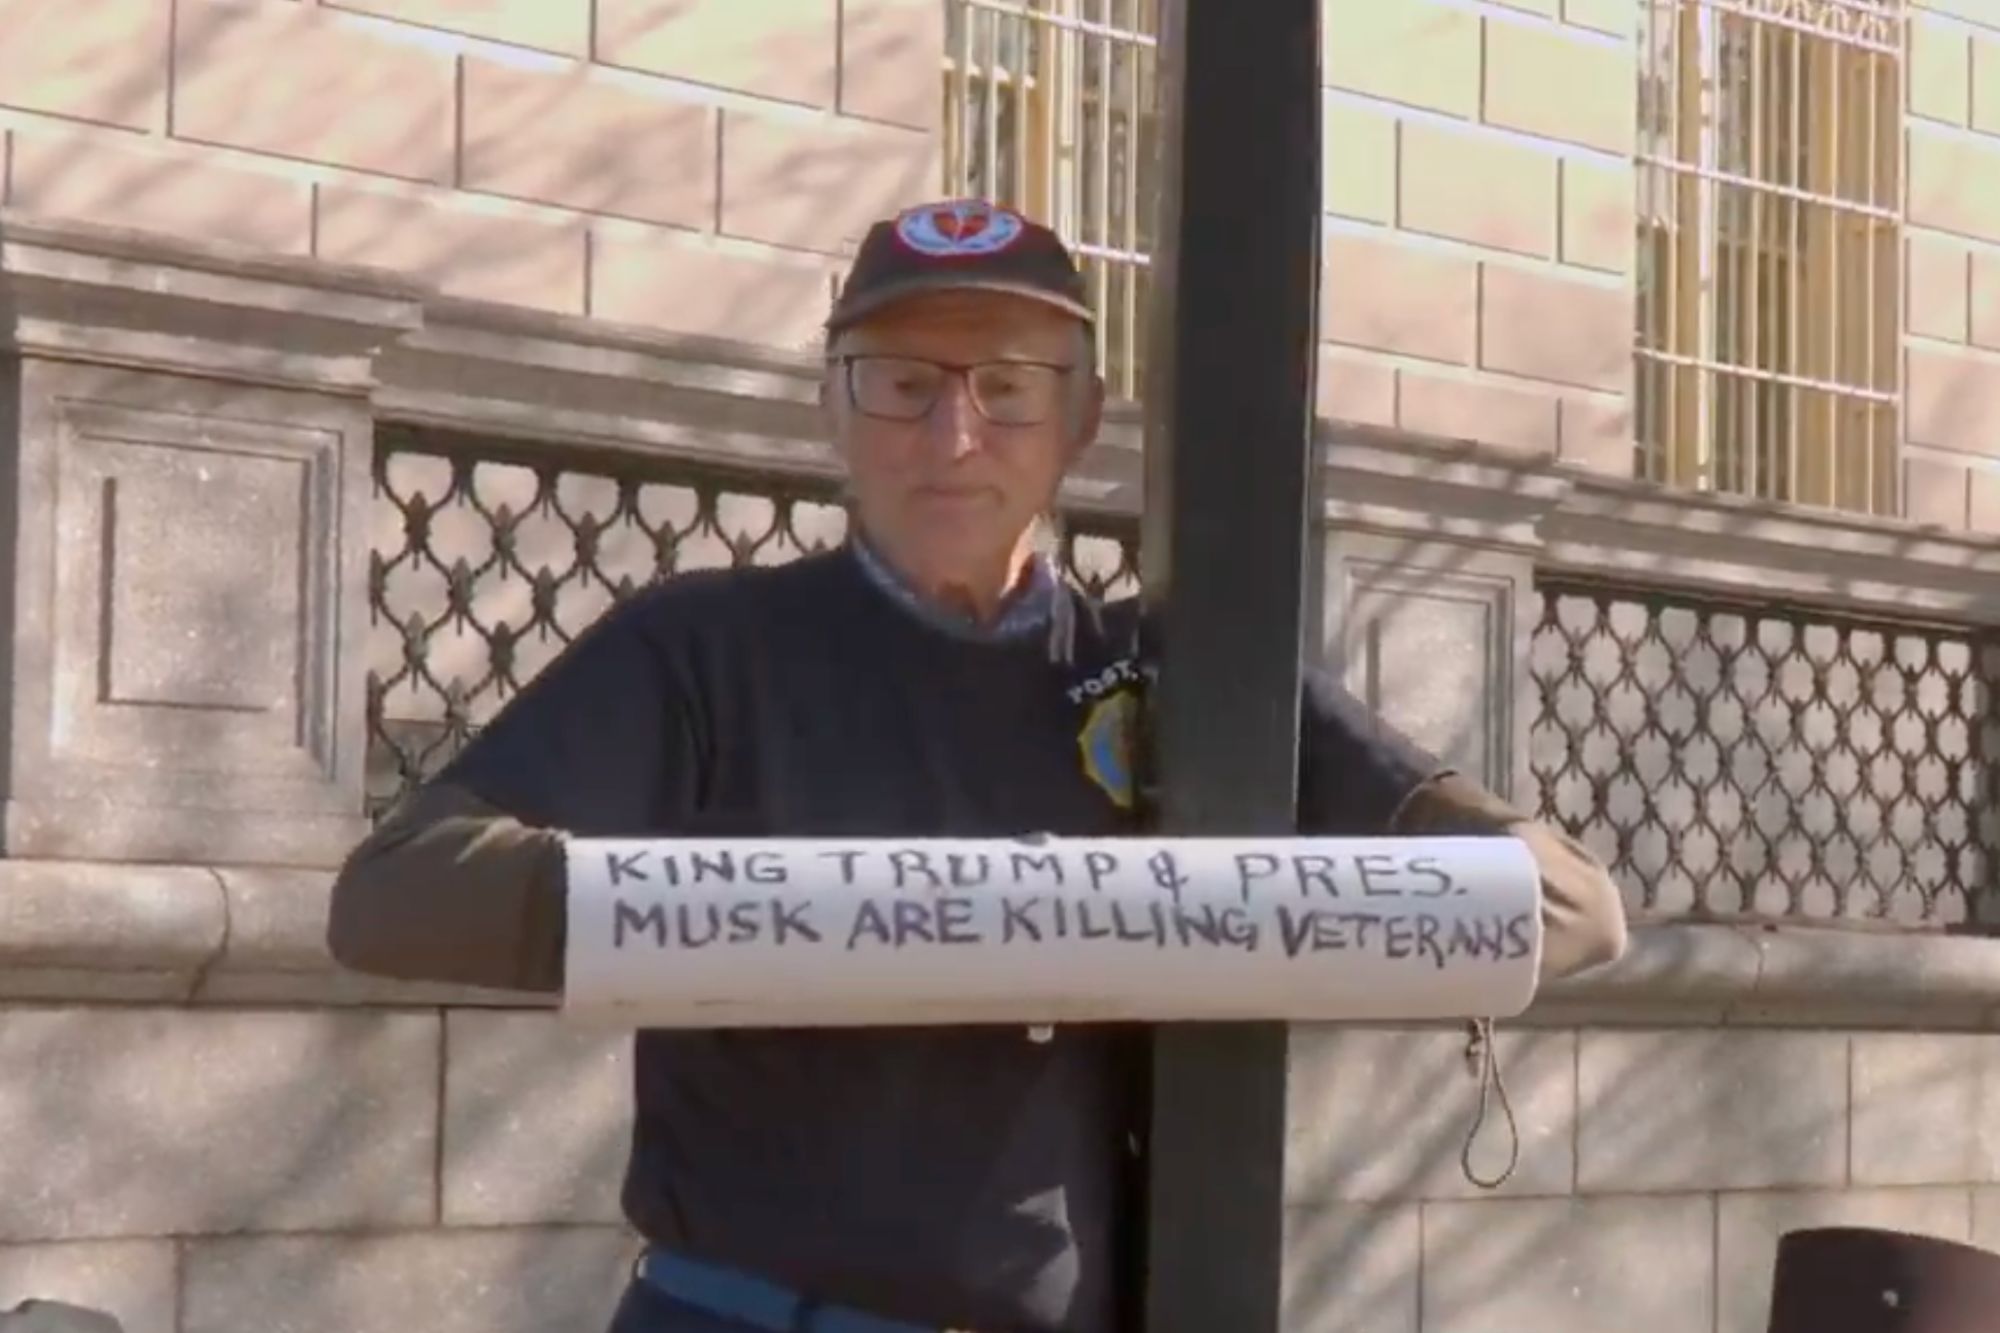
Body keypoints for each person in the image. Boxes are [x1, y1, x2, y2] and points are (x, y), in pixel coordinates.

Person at [327, 197, 1628, 1333]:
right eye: (903, 382)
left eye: (1007, 385)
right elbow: (394, 896)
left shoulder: (1173, 676)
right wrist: (767, 914)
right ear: (833, 406)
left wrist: (1171, 920)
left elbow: (1569, 905)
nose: (955, 433)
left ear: (1080, 420)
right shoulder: (704, 650)